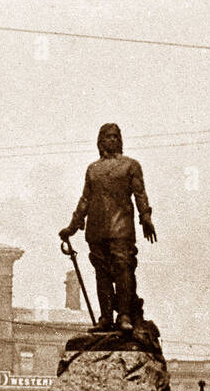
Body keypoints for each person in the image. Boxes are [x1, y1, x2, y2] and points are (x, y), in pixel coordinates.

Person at [59, 122, 156, 332]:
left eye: (115, 136)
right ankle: (105, 317)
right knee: (101, 274)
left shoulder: (131, 165)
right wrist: (72, 227)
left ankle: (124, 315)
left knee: (123, 271)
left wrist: (145, 216)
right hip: (96, 230)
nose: (111, 140)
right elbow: (85, 199)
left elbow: (140, 193)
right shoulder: (93, 170)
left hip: (121, 227)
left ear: (119, 140)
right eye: (107, 137)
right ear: (100, 141)